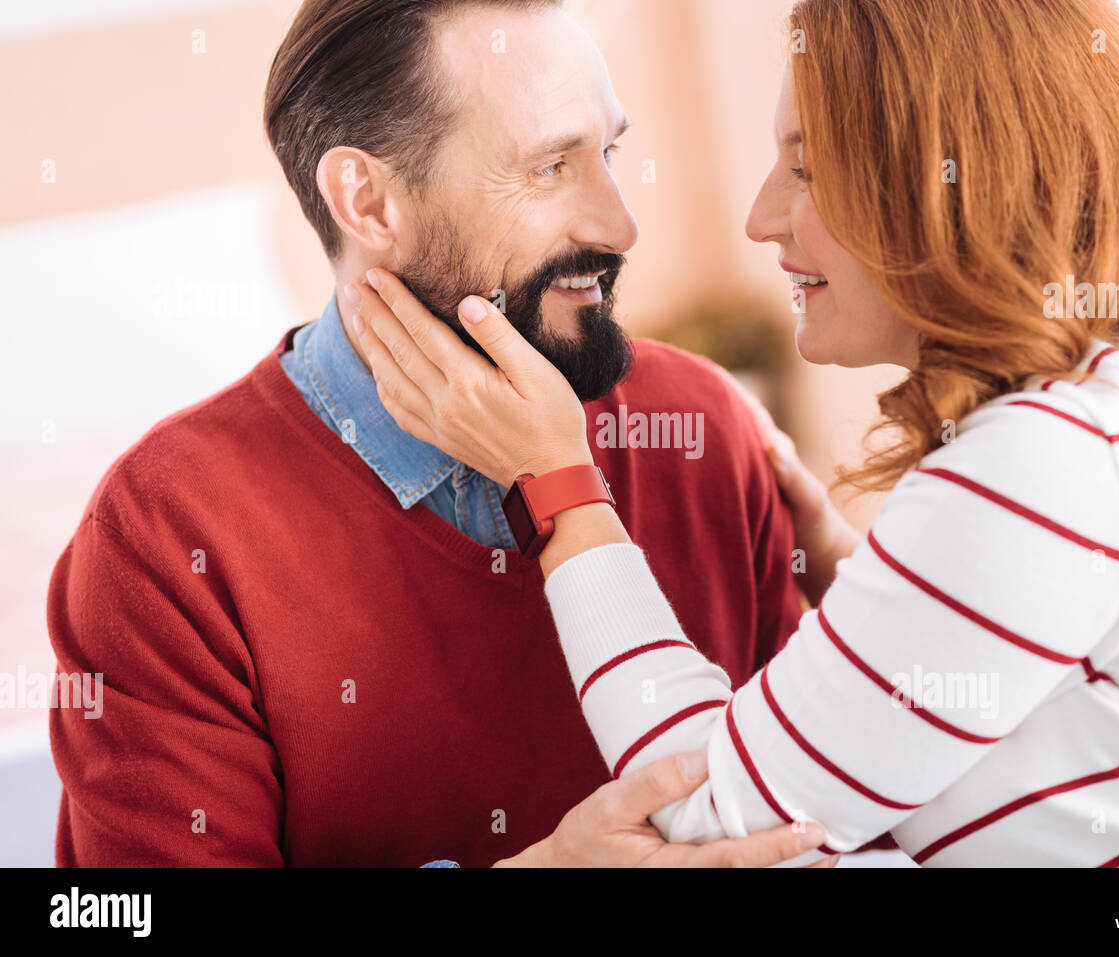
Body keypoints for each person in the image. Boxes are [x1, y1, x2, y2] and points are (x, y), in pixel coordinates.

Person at [355, 0, 1119, 866]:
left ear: (958, 180)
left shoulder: (1056, 459)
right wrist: (865, 574)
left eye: (806, 167)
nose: (763, 215)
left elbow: (713, 815)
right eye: (554, 164)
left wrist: (558, 482)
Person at [46, 0, 816, 867]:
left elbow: (820, 824)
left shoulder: (706, 427)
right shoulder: (161, 538)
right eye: (550, 167)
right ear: (368, 202)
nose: (618, 225)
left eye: (606, 153)